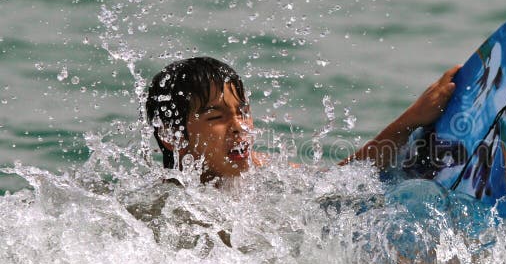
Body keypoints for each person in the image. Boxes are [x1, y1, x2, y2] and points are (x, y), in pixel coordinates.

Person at [145, 56, 459, 183]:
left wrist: (412, 120)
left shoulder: (260, 173)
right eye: (216, 116)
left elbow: (341, 180)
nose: (240, 127)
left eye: (242, 112)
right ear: (172, 135)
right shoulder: (169, 209)